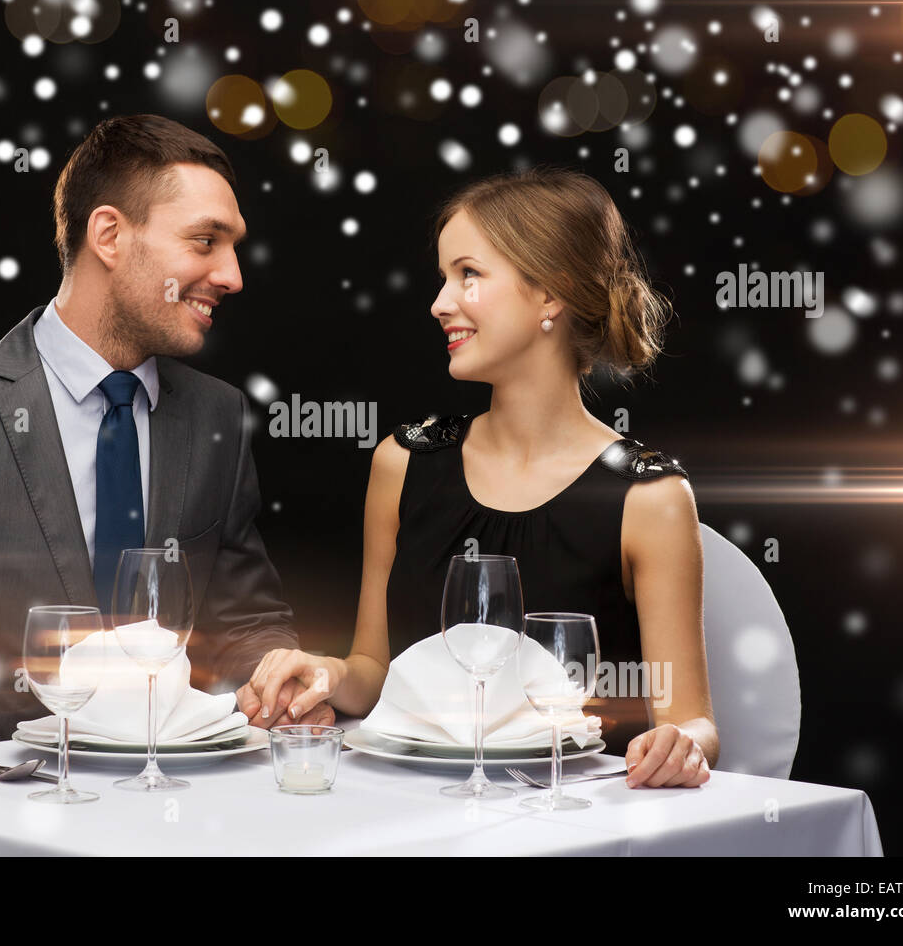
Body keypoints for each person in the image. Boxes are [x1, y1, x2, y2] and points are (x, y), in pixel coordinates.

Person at [0, 114, 333, 796]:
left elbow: (244, 621)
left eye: (233, 247)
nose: (232, 275)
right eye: (206, 241)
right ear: (109, 235)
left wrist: (281, 679)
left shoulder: (218, 415)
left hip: (173, 795)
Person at [241, 167, 717, 789]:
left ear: (552, 293)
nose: (440, 303)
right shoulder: (402, 462)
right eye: (444, 277)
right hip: (407, 811)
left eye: (468, 274)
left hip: (572, 822)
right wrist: (324, 673)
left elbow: (694, 722)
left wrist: (682, 745)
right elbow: (373, 668)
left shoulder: (649, 497)